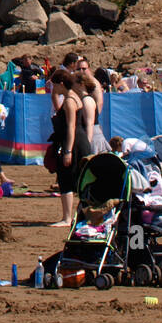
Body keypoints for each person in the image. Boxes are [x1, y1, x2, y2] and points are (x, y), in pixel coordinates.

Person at [50, 69, 90, 226]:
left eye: (54, 85)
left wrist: (67, 151)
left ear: (61, 84)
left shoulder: (69, 101)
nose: (53, 88)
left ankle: (67, 218)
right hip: (79, 141)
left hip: (73, 142)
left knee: (66, 178)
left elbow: (71, 127)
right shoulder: (74, 96)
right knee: (78, 179)